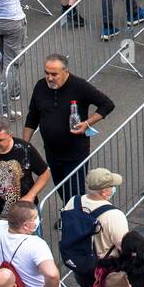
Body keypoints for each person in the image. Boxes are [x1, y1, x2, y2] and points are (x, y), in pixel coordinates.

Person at [20, 53, 114, 203]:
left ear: (66, 72)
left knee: (74, 192)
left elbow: (107, 104)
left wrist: (88, 123)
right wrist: (24, 144)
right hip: (51, 152)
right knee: (61, 187)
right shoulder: (40, 86)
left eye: (54, 74)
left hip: (75, 153)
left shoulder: (79, 86)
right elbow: (33, 116)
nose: (49, 78)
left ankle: (75, 219)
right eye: (47, 73)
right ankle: (69, 212)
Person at [0, 115, 51, 236]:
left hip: (25, 216)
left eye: (0, 140)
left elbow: (45, 173)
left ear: (10, 135)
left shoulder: (25, 149)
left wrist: (30, 195)